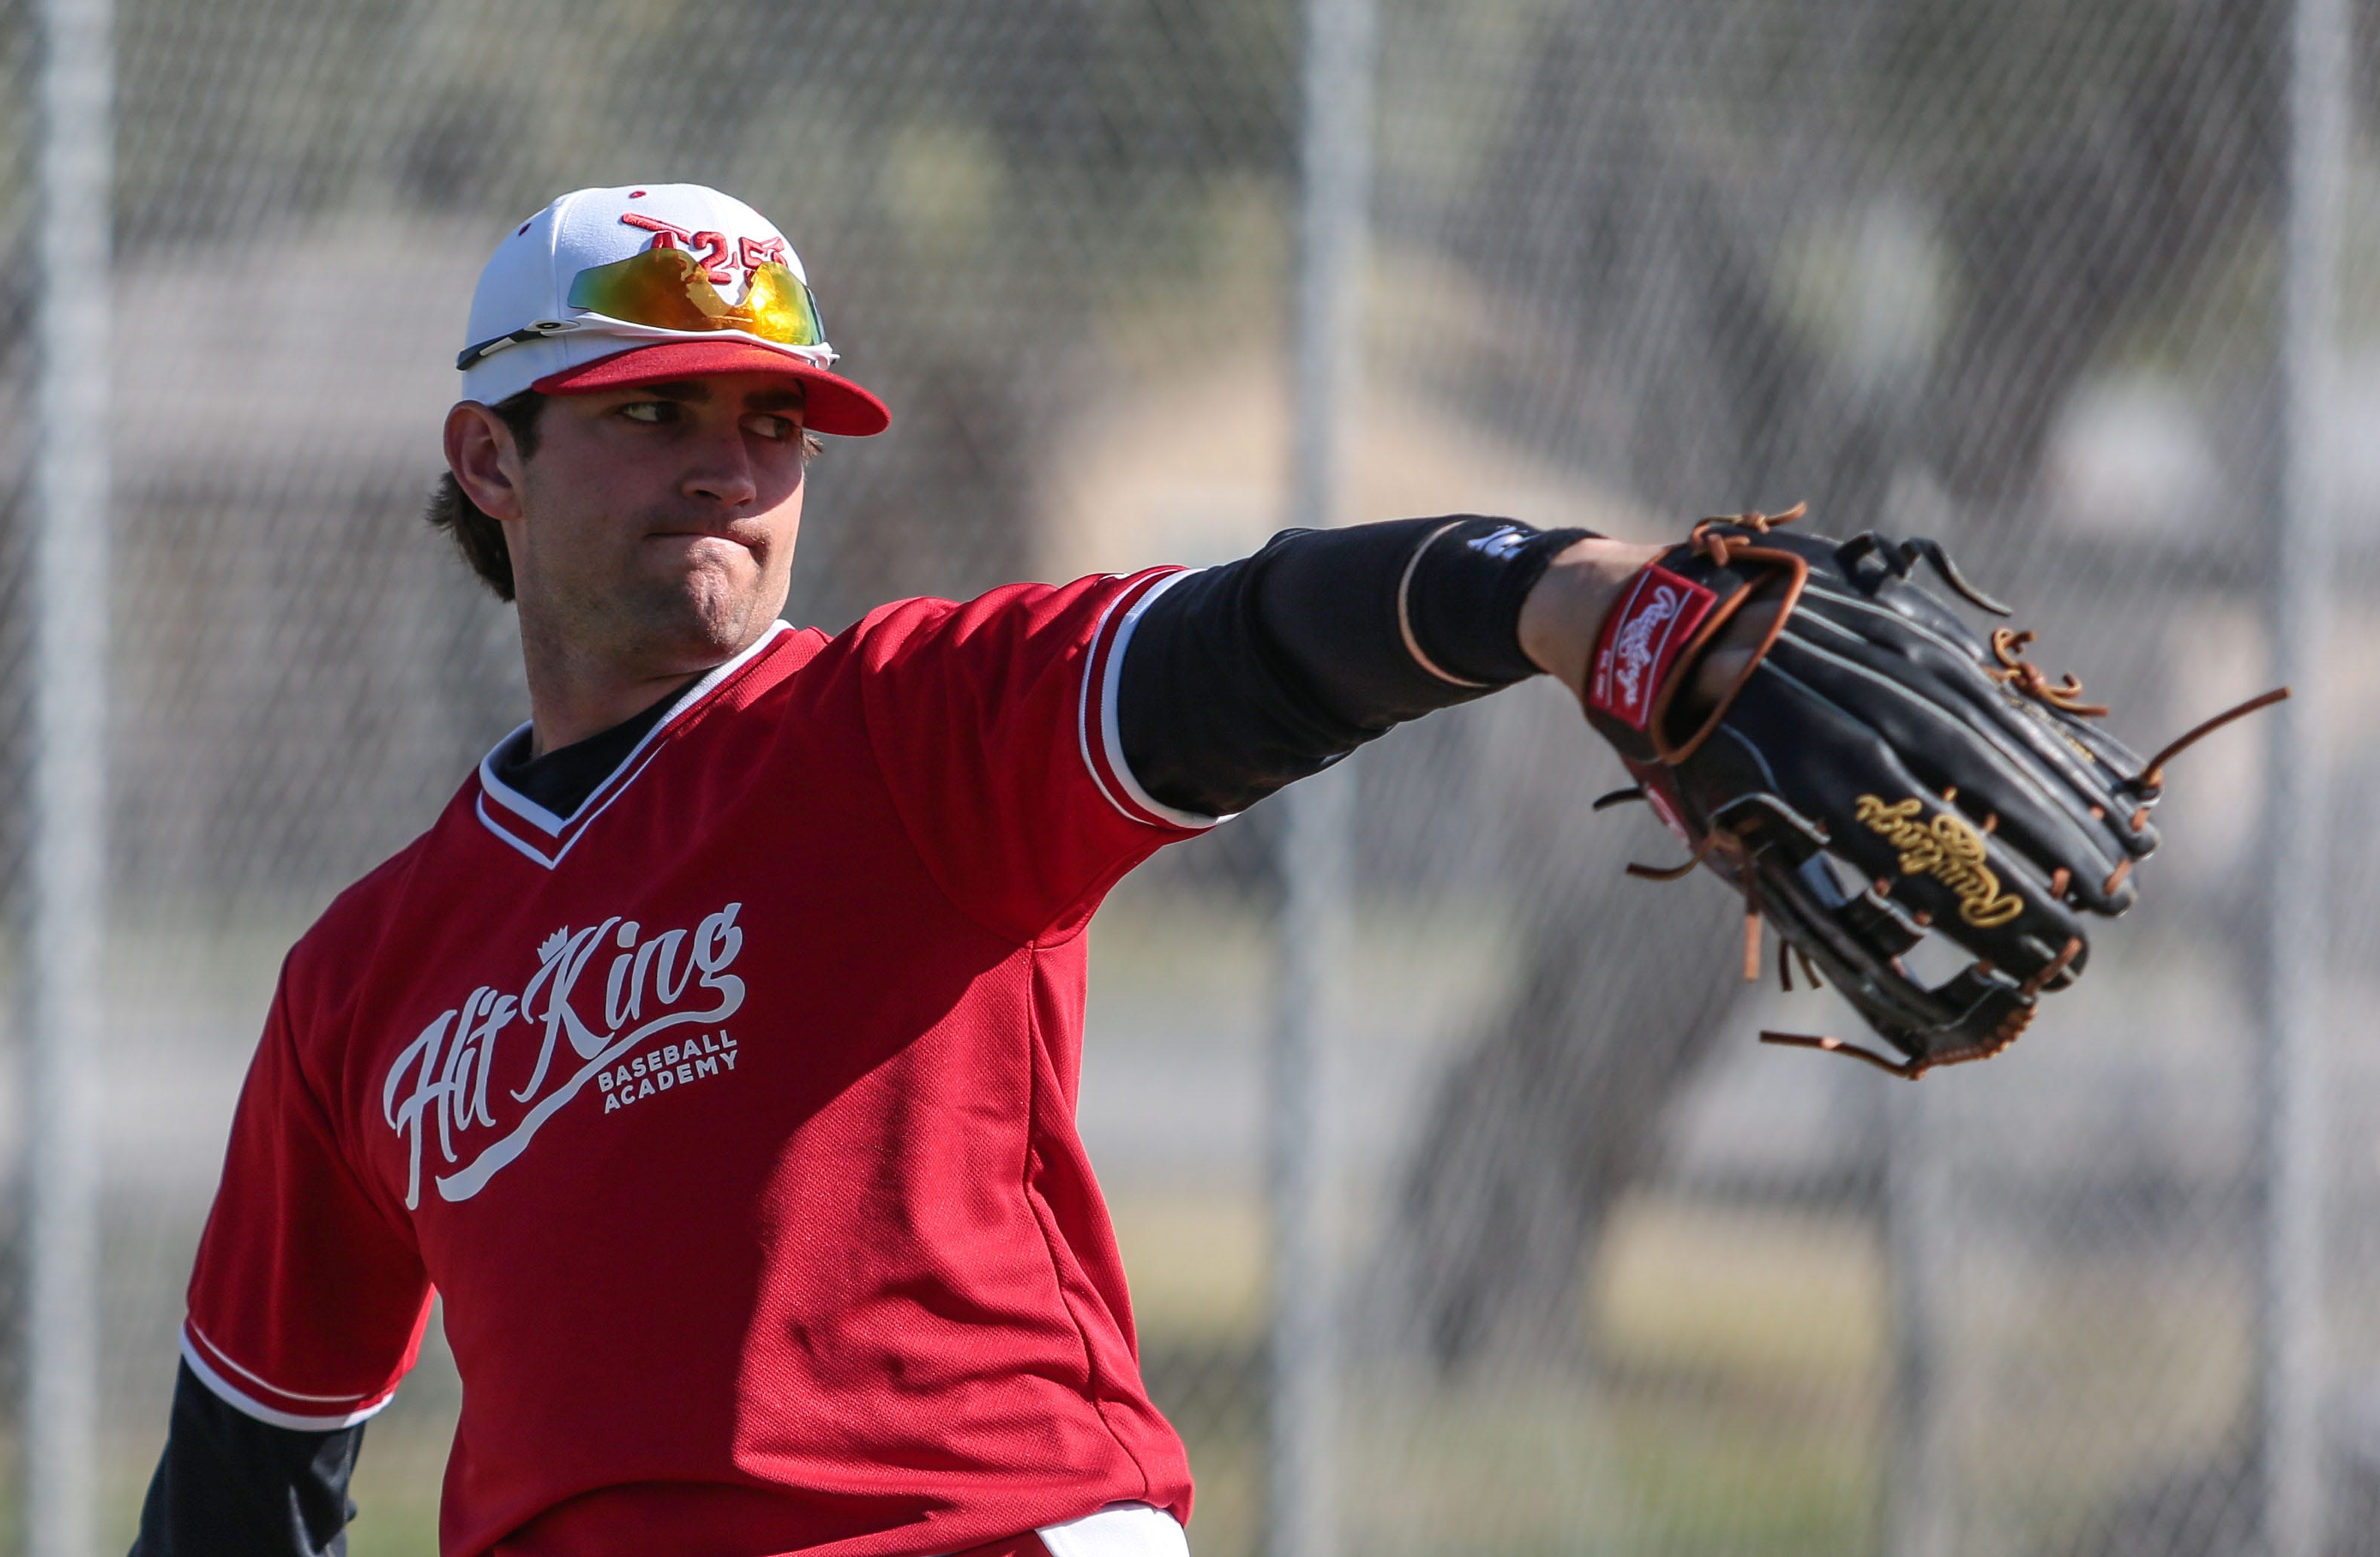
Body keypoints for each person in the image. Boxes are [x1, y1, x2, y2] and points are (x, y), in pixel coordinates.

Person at [130, 183, 1692, 1557]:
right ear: (490, 458)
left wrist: (1555, 596)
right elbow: (245, 1469)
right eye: (653, 413)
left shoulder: (902, 731)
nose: (728, 469)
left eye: (770, 425)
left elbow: (1237, 644)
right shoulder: (363, 978)